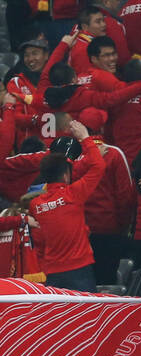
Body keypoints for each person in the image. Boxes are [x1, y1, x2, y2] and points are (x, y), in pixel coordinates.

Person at [28, 120, 104, 292]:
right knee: (87, 315)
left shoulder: (36, 204)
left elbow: (39, 240)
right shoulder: (73, 194)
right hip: (79, 270)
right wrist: (85, 138)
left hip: (51, 272)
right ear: (65, 174)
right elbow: (98, 167)